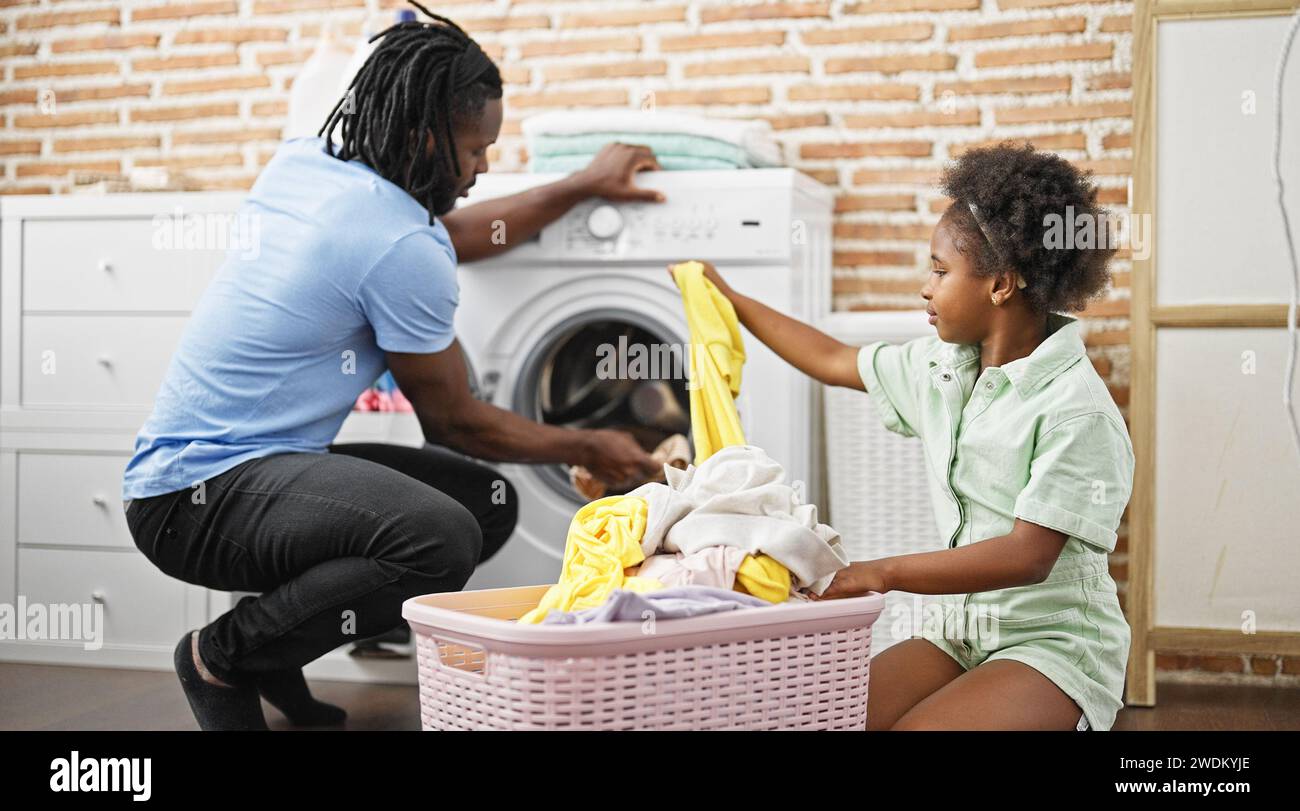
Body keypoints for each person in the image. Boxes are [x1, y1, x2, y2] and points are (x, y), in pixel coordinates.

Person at [122, 6, 665, 730]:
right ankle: (224, 654)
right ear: (421, 137)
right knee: (441, 536)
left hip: (222, 475)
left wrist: (583, 184)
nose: (483, 167)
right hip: (193, 504)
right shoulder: (398, 243)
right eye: (474, 152)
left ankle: (276, 655)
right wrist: (587, 444)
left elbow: (448, 234)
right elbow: (456, 421)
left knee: (484, 503)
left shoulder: (312, 163)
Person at [679, 143, 1134, 731]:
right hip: (959, 631)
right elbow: (830, 357)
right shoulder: (942, 370)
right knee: (826, 719)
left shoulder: (1076, 411)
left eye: (940, 271)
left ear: (1000, 285)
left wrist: (883, 571)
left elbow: (1028, 556)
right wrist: (730, 301)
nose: (925, 287)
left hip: (1053, 644)